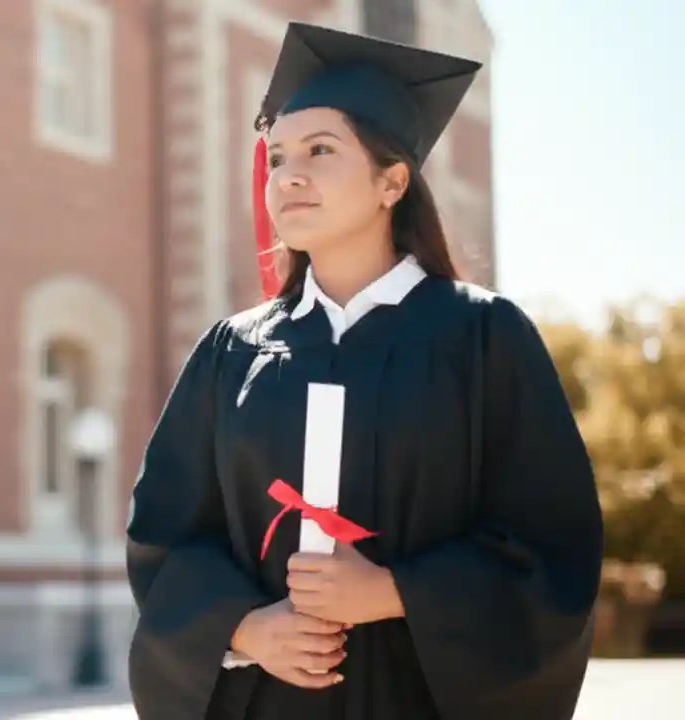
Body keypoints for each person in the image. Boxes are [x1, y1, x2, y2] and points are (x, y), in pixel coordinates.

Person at [125, 22, 603, 720]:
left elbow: (553, 543)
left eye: (321, 151)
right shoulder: (232, 353)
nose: (288, 174)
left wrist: (393, 592)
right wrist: (244, 627)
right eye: (278, 154)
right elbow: (165, 534)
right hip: (266, 700)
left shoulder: (483, 338)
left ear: (392, 181)